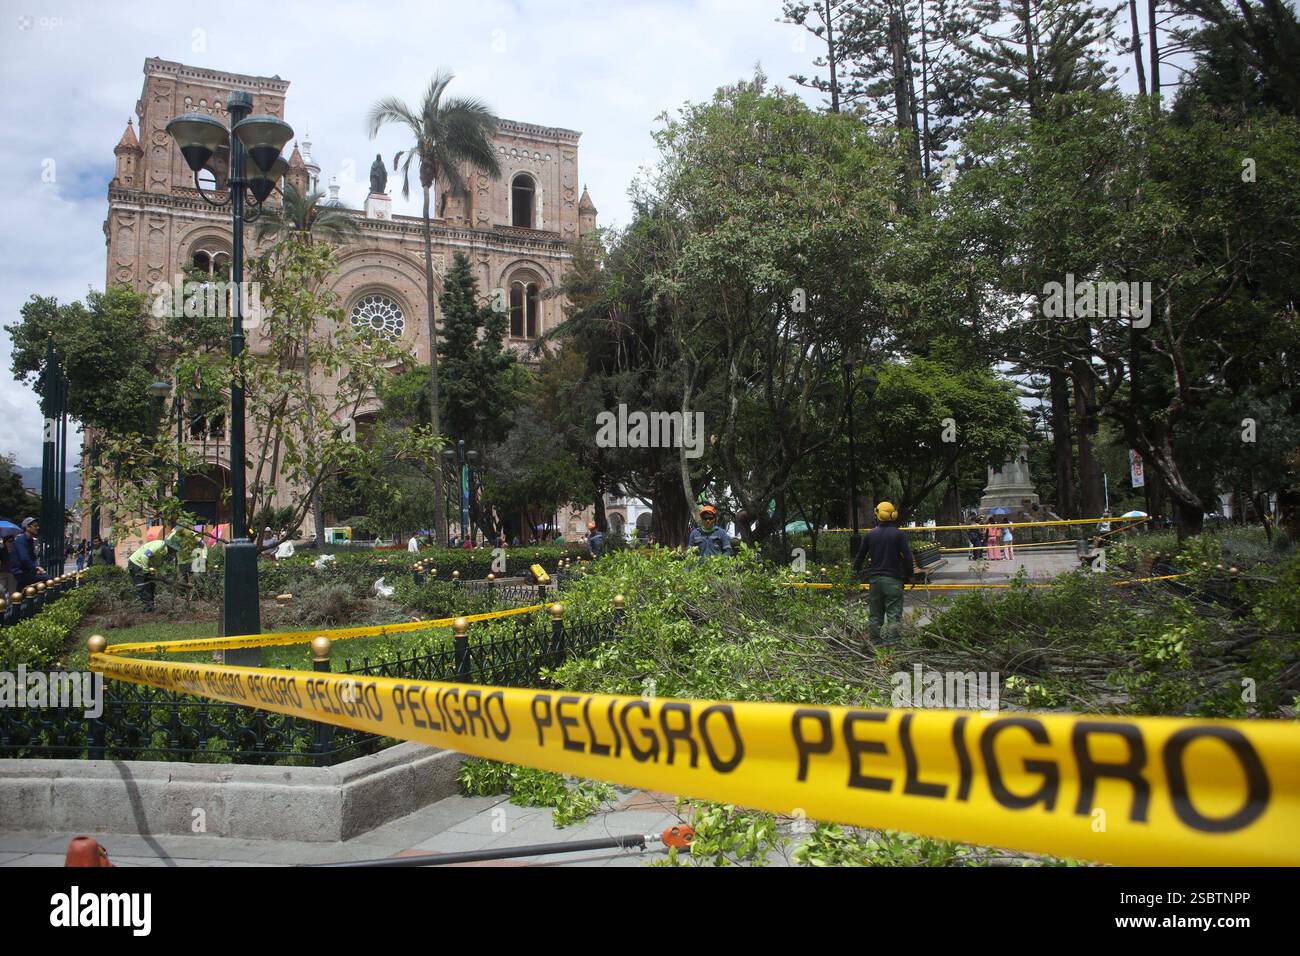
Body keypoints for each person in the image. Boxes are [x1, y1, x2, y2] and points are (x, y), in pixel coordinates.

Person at [852, 502, 914, 643]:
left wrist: (855, 572)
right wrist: (910, 576)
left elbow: (860, 556)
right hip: (893, 580)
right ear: (894, 515)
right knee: (894, 614)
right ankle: (893, 644)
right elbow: (908, 557)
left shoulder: (870, 535)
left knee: (875, 614)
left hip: (875, 581)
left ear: (877, 515)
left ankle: (875, 642)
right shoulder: (899, 535)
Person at [127, 536, 175, 611]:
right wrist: (146, 571)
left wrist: (160, 575)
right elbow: (144, 556)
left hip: (146, 565)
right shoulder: (158, 546)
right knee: (142, 585)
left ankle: (150, 606)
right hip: (136, 563)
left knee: (151, 584)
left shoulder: (164, 553)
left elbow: (157, 565)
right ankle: (148, 607)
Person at [11, 518, 50, 588]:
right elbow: (24, 558)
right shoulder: (21, 540)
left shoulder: (30, 540)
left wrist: (37, 568)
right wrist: (35, 569)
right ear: (27, 527)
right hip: (21, 573)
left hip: (27, 572)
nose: (38, 528)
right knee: (49, 578)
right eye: (35, 526)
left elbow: (33, 557)